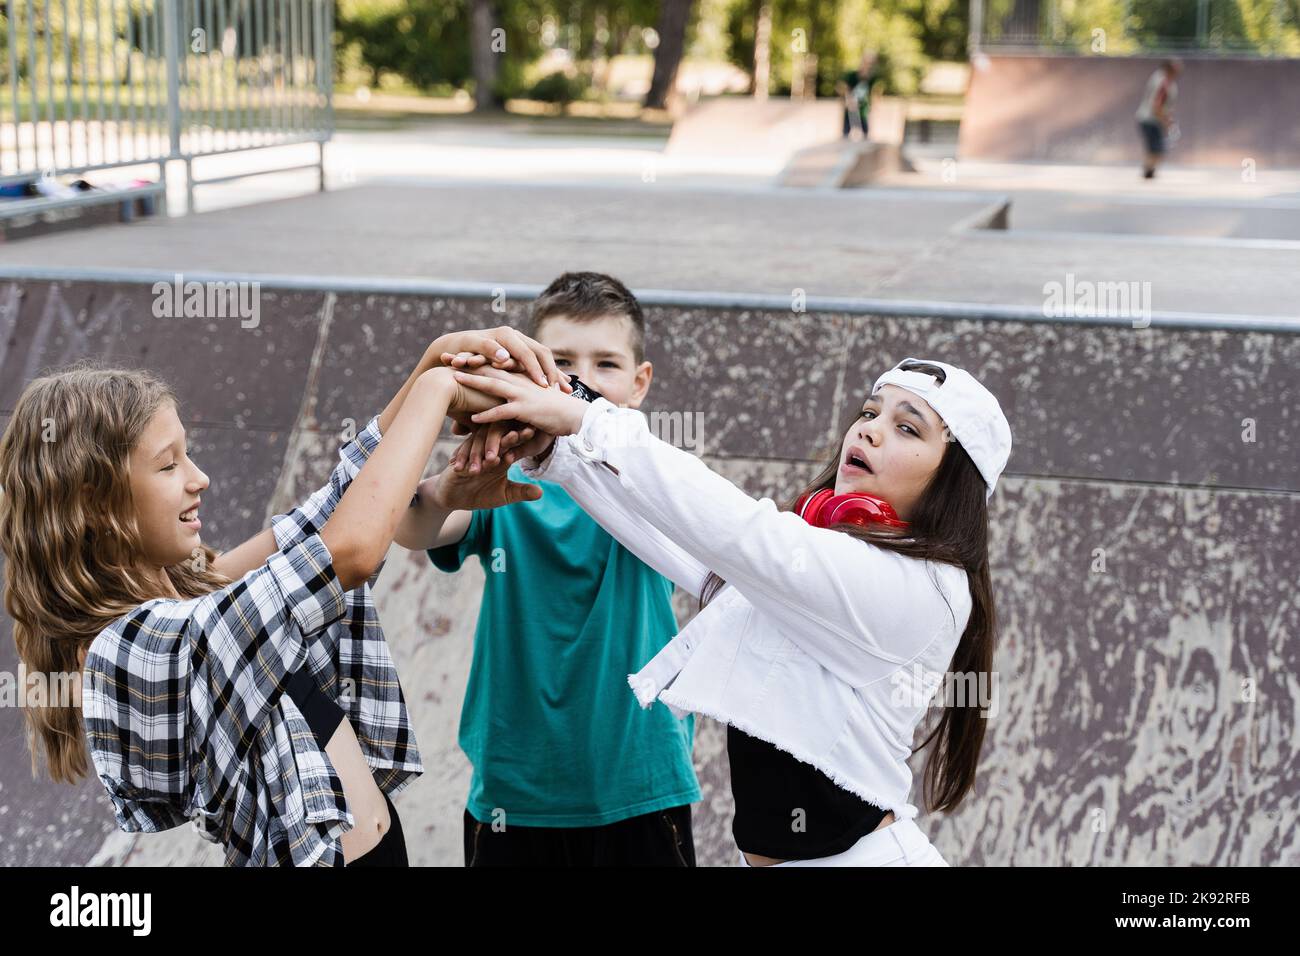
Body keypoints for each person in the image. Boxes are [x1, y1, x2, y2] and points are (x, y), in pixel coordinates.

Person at [0, 329, 567, 865]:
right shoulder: (133, 651)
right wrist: (438, 391)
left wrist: (435, 361)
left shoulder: (198, 597)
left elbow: (317, 526)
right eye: (169, 465)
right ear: (97, 504)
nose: (200, 478)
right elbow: (344, 555)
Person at [449, 355, 1012, 867]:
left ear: (952, 483)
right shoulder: (829, 566)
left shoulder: (928, 591)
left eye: (906, 426)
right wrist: (560, 454)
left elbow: (742, 535)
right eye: (870, 410)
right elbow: (689, 550)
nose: (869, 428)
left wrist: (587, 418)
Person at [395, 272, 702, 866]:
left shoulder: (656, 477)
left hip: (641, 780)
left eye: (605, 365)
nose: (580, 381)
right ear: (524, 375)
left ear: (640, 384)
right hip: (516, 789)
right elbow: (414, 526)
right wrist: (446, 493)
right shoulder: (504, 478)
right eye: (560, 362)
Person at [1136, 58, 1181, 179]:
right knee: (1156, 149)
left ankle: (1149, 172)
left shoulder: (1158, 77)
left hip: (1148, 118)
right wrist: (1166, 121)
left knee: (1154, 148)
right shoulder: (1164, 82)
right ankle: (1148, 173)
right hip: (1151, 119)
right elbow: (1157, 105)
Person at [838, 51, 879, 140]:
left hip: (863, 110)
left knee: (865, 134)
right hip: (851, 110)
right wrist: (849, 100)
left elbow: (872, 93)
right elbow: (842, 88)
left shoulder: (871, 79)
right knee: (845, 134)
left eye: (871, 64)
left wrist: (872, 105)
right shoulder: (852, 75)